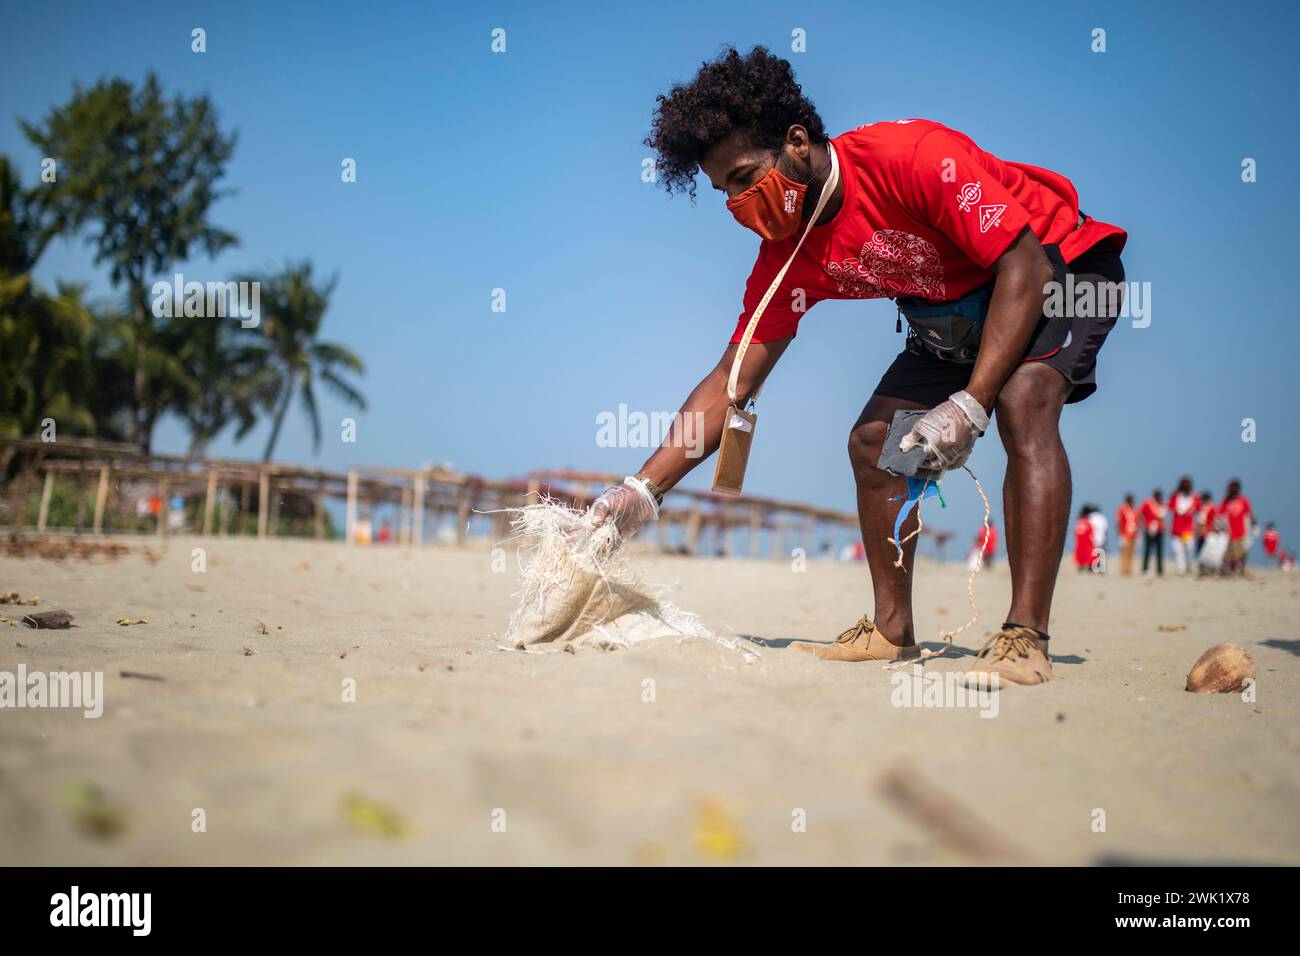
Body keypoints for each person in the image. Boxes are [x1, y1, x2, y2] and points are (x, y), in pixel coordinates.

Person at [592, 46, 1127, 687]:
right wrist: (642, 490)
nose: (737, 204)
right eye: (722, 193)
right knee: (876, 443)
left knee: (1022, 402)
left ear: (796, 142)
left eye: (742, 177)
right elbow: (733, 381)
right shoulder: (786, 259)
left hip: (1056, 267)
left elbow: (1024, 264)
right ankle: (890, 630)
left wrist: (971, 402)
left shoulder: (912, 159)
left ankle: (1024, 635)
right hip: (951, 309)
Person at [1219, 479, 1254, 574]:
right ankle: (1229, 570)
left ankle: (1241, 569)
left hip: (1241, 532)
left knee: (1241, 552)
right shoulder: (1225, 501)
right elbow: (1220, 515)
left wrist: (1253, 526)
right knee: (1228, 553)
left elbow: (1250, 514)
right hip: (1228, 533)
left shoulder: (1244, 500)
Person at [1168, 477, 1200, 576]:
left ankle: (1189, 566)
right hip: (1176, 530)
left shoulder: (1194, 497)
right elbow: (1169, 508)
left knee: (1189, 548)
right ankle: (1181, 569)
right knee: (1178, 550)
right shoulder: (1175, 497)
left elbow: (1199, 511)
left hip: (1188, 530)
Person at [1139, 489, 1167, 577]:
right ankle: (1145, 569)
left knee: (1159, 551)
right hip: (1149, 530)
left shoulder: (1161, 505)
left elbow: (1162, 517)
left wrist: (1163, 527)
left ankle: (1160, 571)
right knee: (1148, 550)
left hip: (1159, 530)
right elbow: (1141, 515)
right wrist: (1144, 526)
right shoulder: (1147, 503)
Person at [1116, 494, 1139, 576]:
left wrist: (1138, 535)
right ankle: (1123, 570)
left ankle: (1129, 570)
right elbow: (1119, 522)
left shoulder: (1134, 510)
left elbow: (1137, 522)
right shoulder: (1122, 509)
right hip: (1125, 535)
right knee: (1124, 553)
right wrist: (1120, 534)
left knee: (1131, 553)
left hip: (1133, 535)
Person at [1073, 506, 1096, 573]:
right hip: (1087, 543)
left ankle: (1081, 567)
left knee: (1080, 556)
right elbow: (1091, 534)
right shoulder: (1087, 523)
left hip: (1079, 543)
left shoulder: (1078, 522)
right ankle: (1089, 568)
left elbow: (1076, 533)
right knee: (1089, 555)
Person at [1194, 489, 1216, 557]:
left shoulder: (1212, 508)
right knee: (1199, 550)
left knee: (1208, 551)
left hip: (1209, 533)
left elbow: (1214, 521)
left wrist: (1210, 530)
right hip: (1200, 534)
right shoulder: (1200, 508)